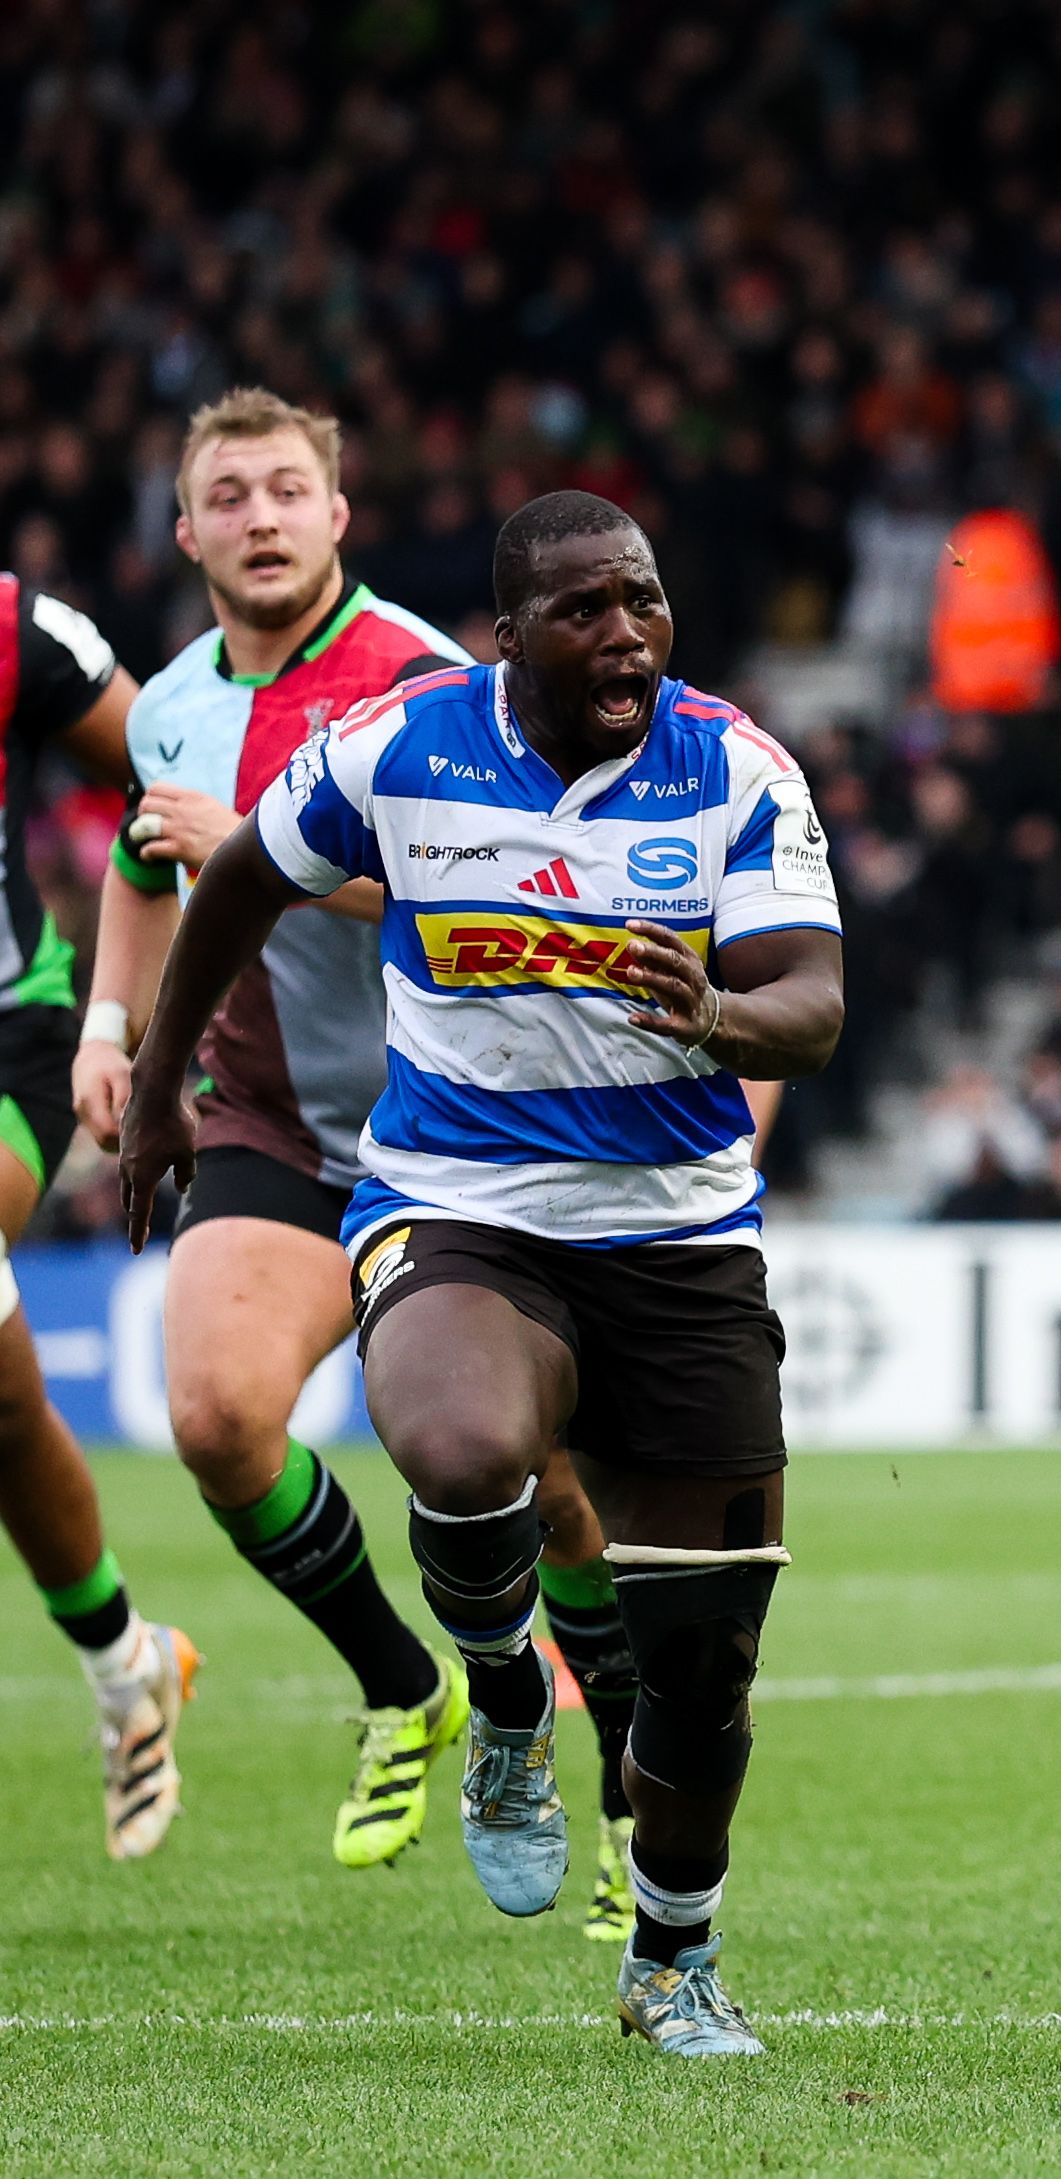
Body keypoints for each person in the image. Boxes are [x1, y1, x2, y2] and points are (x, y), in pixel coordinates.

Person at [119, 491, 844, 2054]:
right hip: (462, 1201)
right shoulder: (400, 748)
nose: (629, 633)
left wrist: (714, 1012)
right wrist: (163, 1073)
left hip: (680, 1231)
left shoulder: (737, 767)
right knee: (454, 1445)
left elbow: (816, 999)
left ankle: (672, 1958)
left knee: (702, 1668)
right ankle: (503, 1699)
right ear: (511, 635)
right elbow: (242, 875)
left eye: (644, 600)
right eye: (586, 608)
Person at [75, 388, 646, 1917]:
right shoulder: (173, 701)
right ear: (185, 529)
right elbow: (149, 856)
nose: (260, 515)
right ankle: (411, 1687)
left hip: (461, 1127)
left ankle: (628, 1772)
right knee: (214, 1416)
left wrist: (261, 856)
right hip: (271, 1119)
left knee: (538, 1478)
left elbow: (518, 890)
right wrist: (112, 1030)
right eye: (228, 494)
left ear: (339, 515)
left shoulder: (427, 678)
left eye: (286, 489)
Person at [0, 561, 202, 1859]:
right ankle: (130, 1661)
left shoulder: (12, 631)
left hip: (6, 1031)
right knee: (7, 1409)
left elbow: (169, 776)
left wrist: (152, 1015)